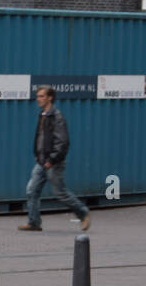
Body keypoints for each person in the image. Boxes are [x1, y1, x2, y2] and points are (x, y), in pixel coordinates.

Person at [18, 85, 91, 233]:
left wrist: (52, 159)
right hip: (41, 161)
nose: (38, 99)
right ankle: (34, 222)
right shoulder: (43, 114)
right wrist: (39, 155)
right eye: (38, 96)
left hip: (53, 162)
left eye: (42, 96)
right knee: (32, 190)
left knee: (60, 193)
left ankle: (83, 213)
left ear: (50, 97)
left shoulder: (56, 116)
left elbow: (63, 142)